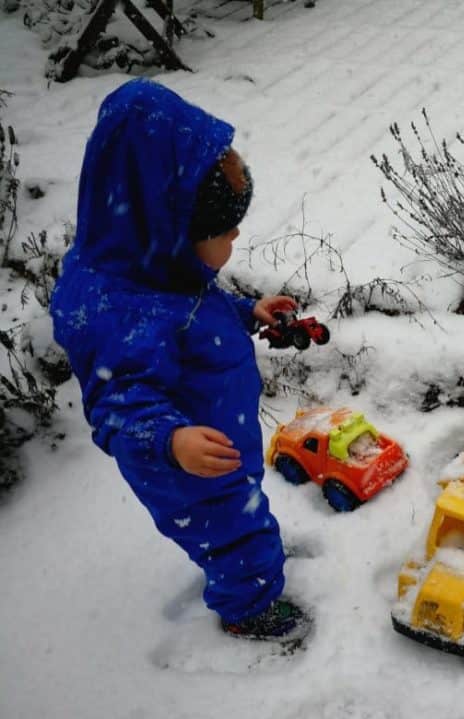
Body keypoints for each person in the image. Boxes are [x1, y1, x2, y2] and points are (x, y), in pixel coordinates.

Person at [51, 79, 308, 641]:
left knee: (242, 516)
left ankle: (251, 559)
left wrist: (247, 311)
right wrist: (172, 442)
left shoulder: (160, 269)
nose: (237, 233)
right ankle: (250, 609)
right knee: (233, 536)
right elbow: (117, 405)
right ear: (170, 229)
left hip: (217, 441)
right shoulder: (120, 312)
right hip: (188, 464)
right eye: (224, 230)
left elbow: (196, 315)